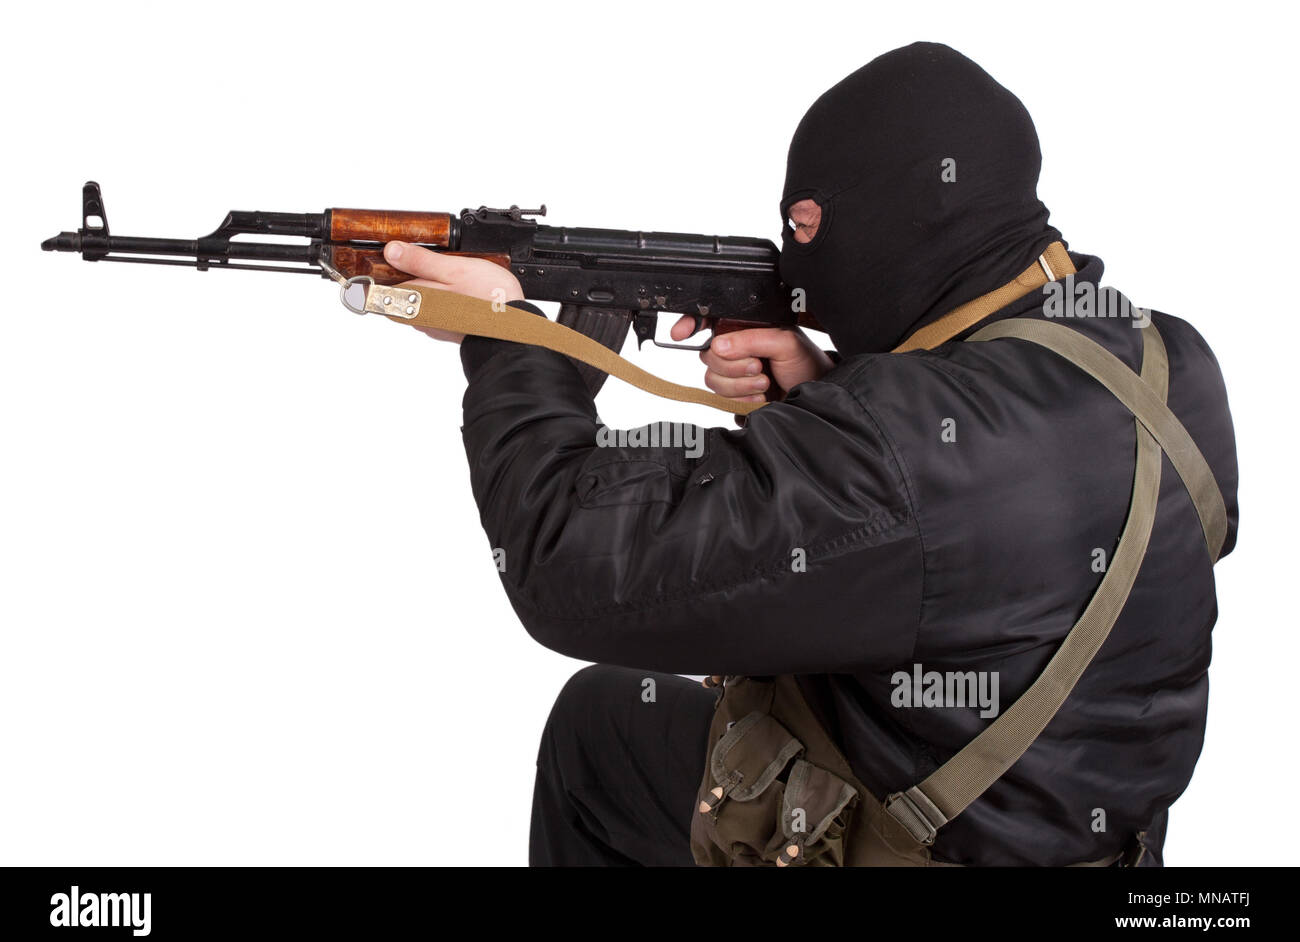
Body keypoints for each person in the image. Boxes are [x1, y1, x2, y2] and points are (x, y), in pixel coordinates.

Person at [383, 42, 1238, 866]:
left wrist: (509, 342)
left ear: (910, 211)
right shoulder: (1173, 362)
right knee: (607, 724)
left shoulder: (899, 442)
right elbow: (994, 532)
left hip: (906, 844)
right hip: (1104, 848)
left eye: (804, 223)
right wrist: (828, 385)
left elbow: (567, 568)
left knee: (596, 737)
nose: (794, 257)